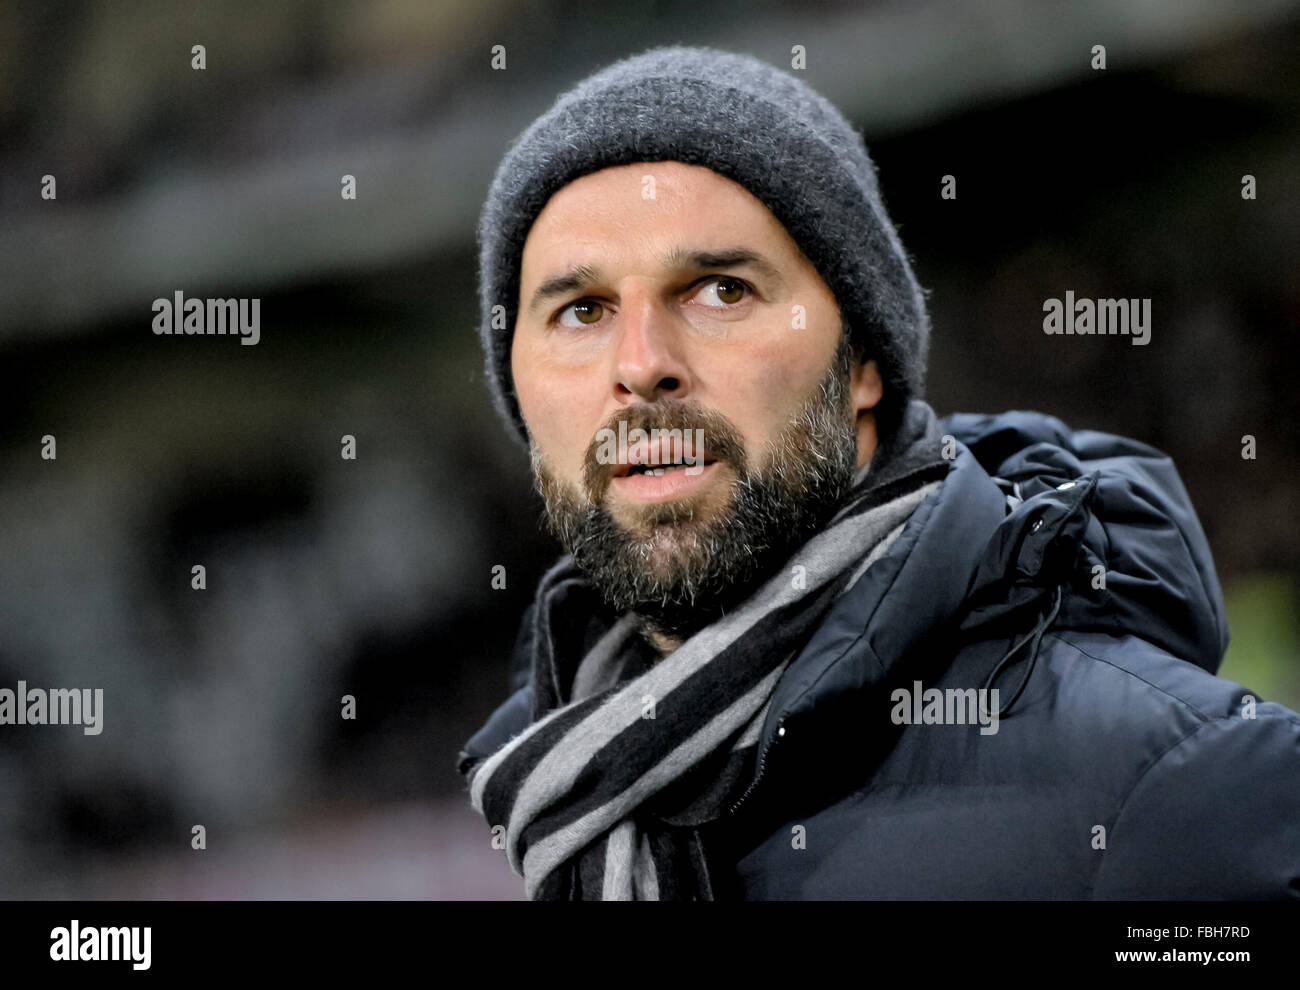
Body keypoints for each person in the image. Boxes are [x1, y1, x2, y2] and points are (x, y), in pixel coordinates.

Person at [456, 45, 1300, 900]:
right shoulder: (560, 804)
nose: (640, 364)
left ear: (863, 361)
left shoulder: (1183, 792)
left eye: (718, 291)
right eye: (582, 310)